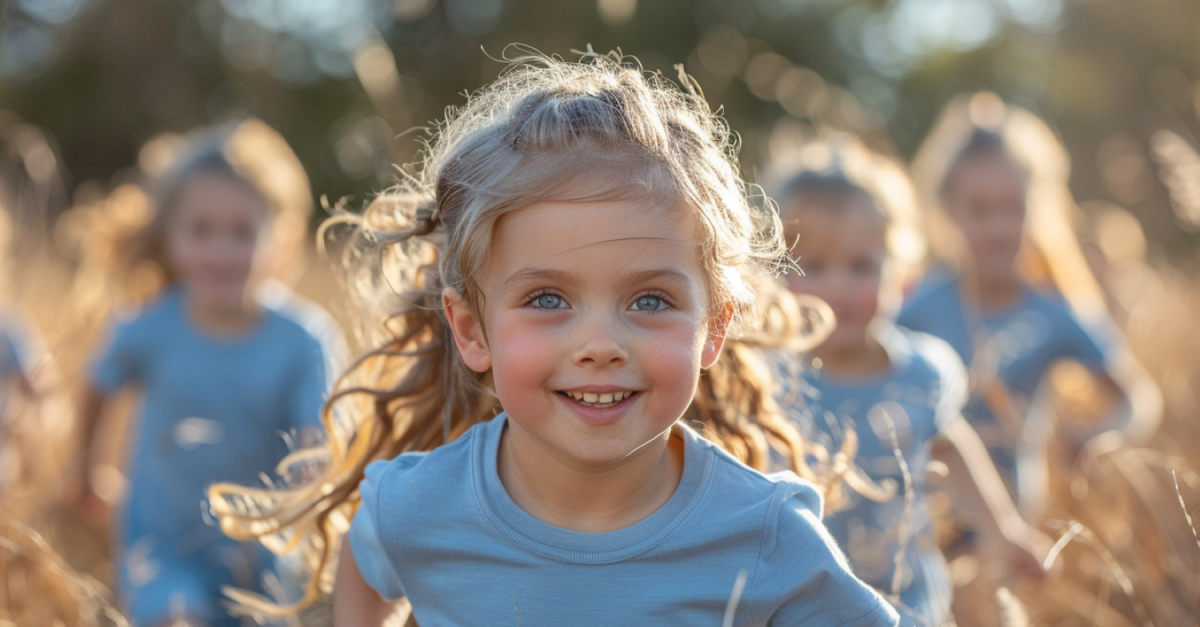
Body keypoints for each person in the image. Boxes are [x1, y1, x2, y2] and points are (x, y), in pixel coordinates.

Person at [210, 51, 899, 626]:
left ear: (712, 328)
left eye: (650, 299)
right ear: (472, 330)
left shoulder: (762, 532)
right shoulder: (421, 507)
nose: (600, 342)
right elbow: (369, 558)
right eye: (547, 298)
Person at [69, 119, 344, 627]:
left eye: (241, 232)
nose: (220, 250)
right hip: (160, 543)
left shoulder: (306, 339)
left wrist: (313, 472)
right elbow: (96, 385)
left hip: (266, 550)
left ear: (280, 240)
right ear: (168, 234)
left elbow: (319, 434)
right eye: (201, 230)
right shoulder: (146, 328)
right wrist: (85, 467)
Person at [767, 137, 1048, 625]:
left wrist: (1005, 528)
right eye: (814, 266)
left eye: (860, 266)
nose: (839, 287)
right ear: (775, 274)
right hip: (798, 607)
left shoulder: (921, 373)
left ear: (899, 271)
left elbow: (951, 447)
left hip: (910, 603)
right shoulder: (766, 380)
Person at [899, 93, 1161, 513]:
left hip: (1018, 533)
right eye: (979, 210)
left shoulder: (1053, 311)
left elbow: (1137, 398)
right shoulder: (917, 308)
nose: (998, 228)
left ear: (1035, 210)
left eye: (1012, 208)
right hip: (928, 524)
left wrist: (1100, 437)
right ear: (947, 210)